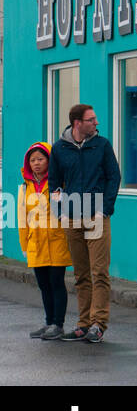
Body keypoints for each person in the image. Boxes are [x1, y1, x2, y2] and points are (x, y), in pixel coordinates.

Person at [49, 104, 120, 344]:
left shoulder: (102, 145)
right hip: (72, 216)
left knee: (99, 271)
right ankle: (83, 323)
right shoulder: (59, 148)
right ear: (77, 123)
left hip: (96, 215)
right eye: (91, 120)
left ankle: (98, 324)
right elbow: (55, 184)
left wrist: (105, 210)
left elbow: (114, 177)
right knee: (80, 274)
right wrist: (60, 212)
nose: (96, 123)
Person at [17, 141, 73, 340]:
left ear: (49, 160)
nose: (37, 163)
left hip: (57, 240)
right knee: (43, 284)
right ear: (28, 163)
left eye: (41, 159)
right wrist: (25, 245)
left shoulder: (59, 184)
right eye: (32, 160)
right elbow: (22, 218)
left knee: (56, 282)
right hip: (36, 242)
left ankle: (58, 324)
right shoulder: (25, 187)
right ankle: (49, 322)